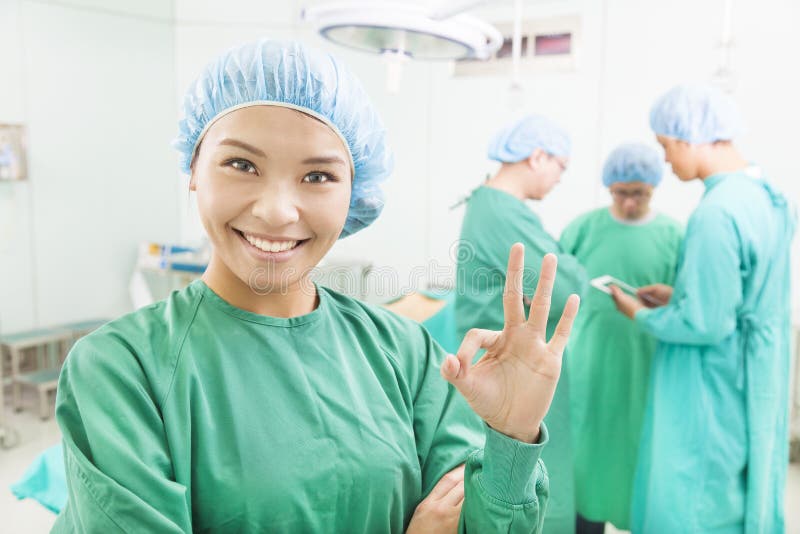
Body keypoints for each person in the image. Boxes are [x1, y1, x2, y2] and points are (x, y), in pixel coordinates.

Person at [51, 39, 581, 533]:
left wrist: (511, 439)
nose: (277, 211)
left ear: (356, 191)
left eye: (318, 176)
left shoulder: (406, 354)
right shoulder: (121, 370)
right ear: (194, 167)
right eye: (241, 164)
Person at [610, 84, 797, 534]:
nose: (667, 162)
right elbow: (747, 291)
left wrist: (640, 312)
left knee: (694, 496)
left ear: (690, 137)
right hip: (756, 366)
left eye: (667, 147)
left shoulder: (716, 212)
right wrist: (684, 294)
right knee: (743, 478)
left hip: (711, 378)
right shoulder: (767, 197)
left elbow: (706, 323)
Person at [455, 114, 588, 534]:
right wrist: (571, 265)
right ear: (537, 156)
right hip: (513, 369)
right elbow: (565, 284)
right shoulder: (499, 210)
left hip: (515, 364)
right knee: (524, 484)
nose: (559, 179)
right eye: (560, 167)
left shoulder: (495, 206)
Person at [560, 143, 682, 533]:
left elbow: (687, 306)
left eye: (639, 194)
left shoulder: (673, 235)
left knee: (635, 459)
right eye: (621, 193)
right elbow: (556, 287)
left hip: (644, 369)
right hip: (587, 368)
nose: (629, 203)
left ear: (654, 188)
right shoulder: (584, 228)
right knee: (585, 459)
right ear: (609, 187)